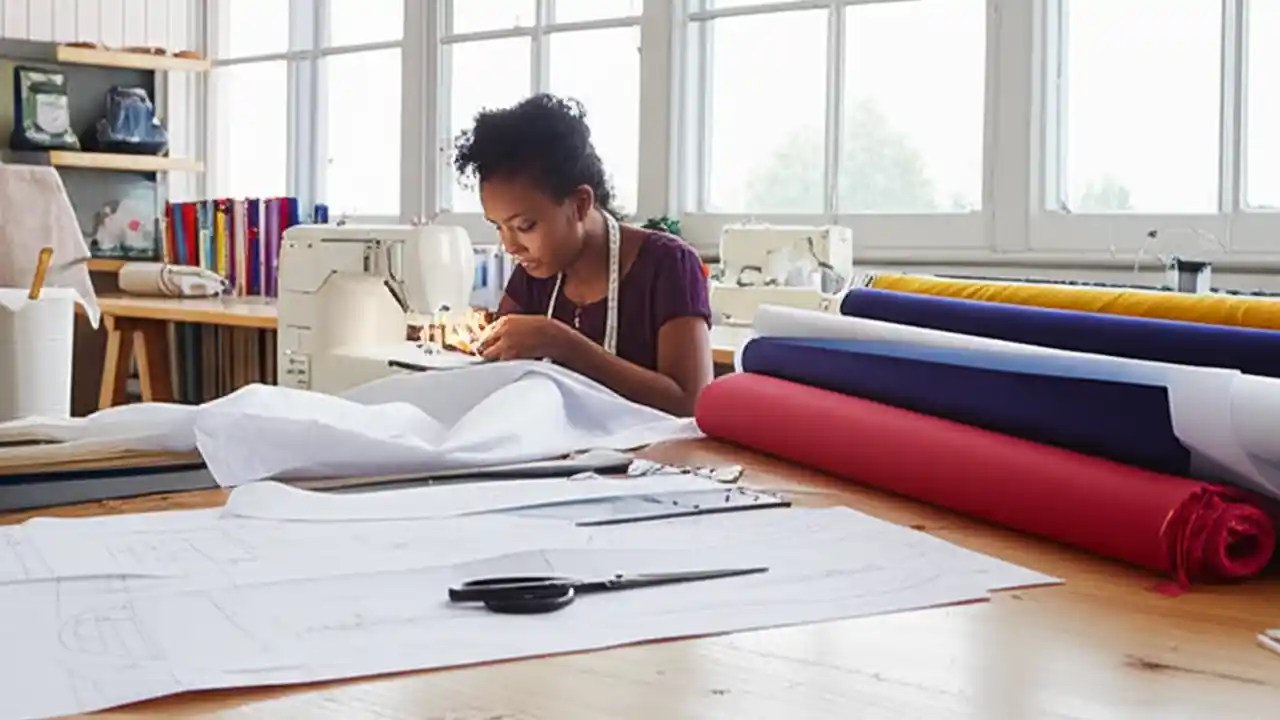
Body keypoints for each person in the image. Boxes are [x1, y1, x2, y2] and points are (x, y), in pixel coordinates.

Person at [455, 94, 712, 417]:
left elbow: (691, 403)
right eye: (498, 227)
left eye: (525, 225)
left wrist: (564, 344)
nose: (510, 247)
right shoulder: (533, 273)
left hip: (650, 462)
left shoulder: (669, 265)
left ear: (579, 204)